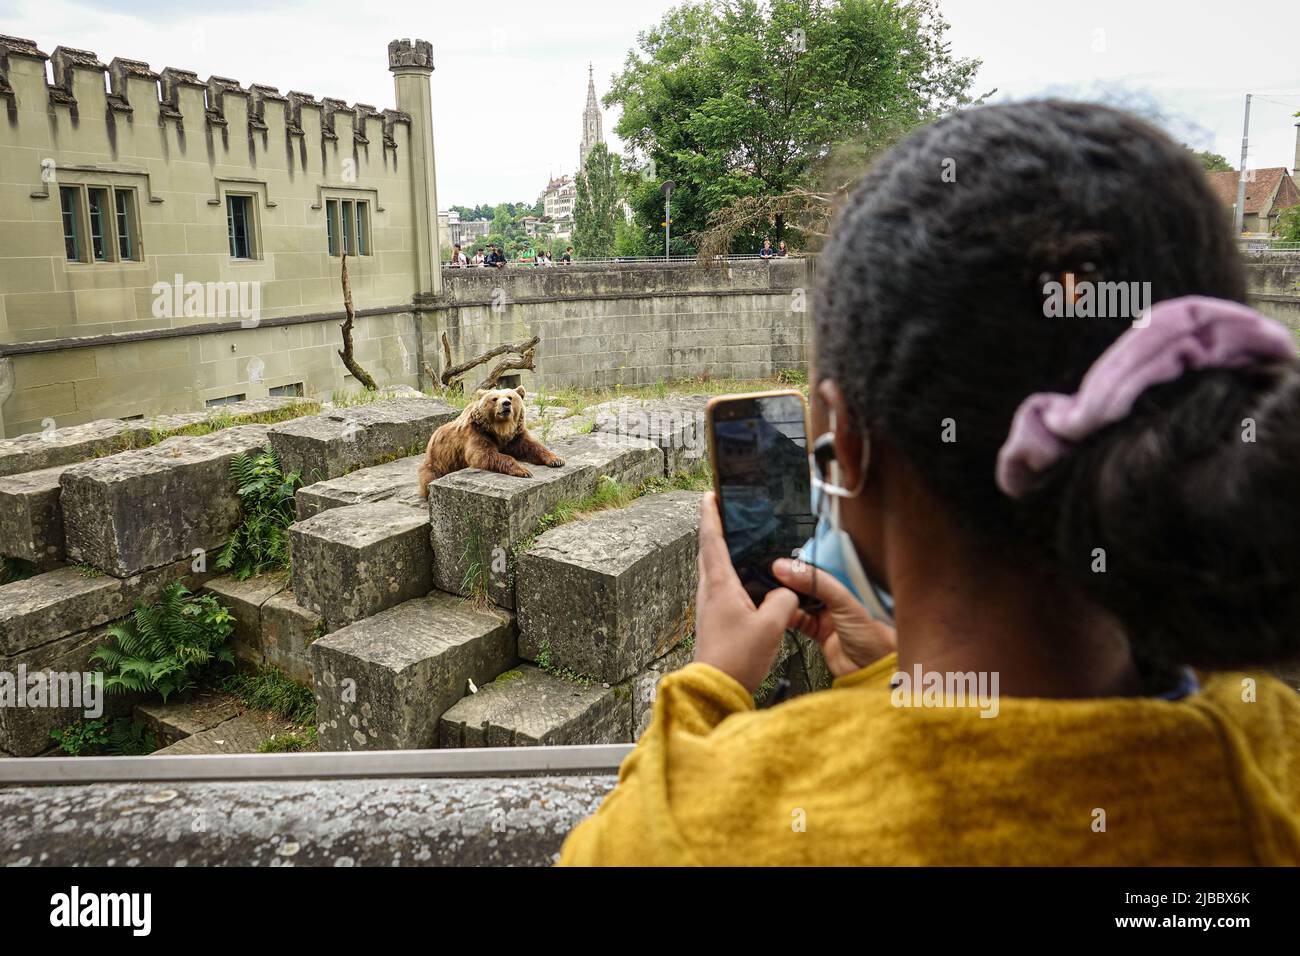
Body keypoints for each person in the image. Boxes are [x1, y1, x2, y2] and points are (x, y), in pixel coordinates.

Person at [558, 100, 1300, 866]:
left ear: (846, 445)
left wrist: (708, 686)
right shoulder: (1270, 760)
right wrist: (893, 675)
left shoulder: (699, 828)